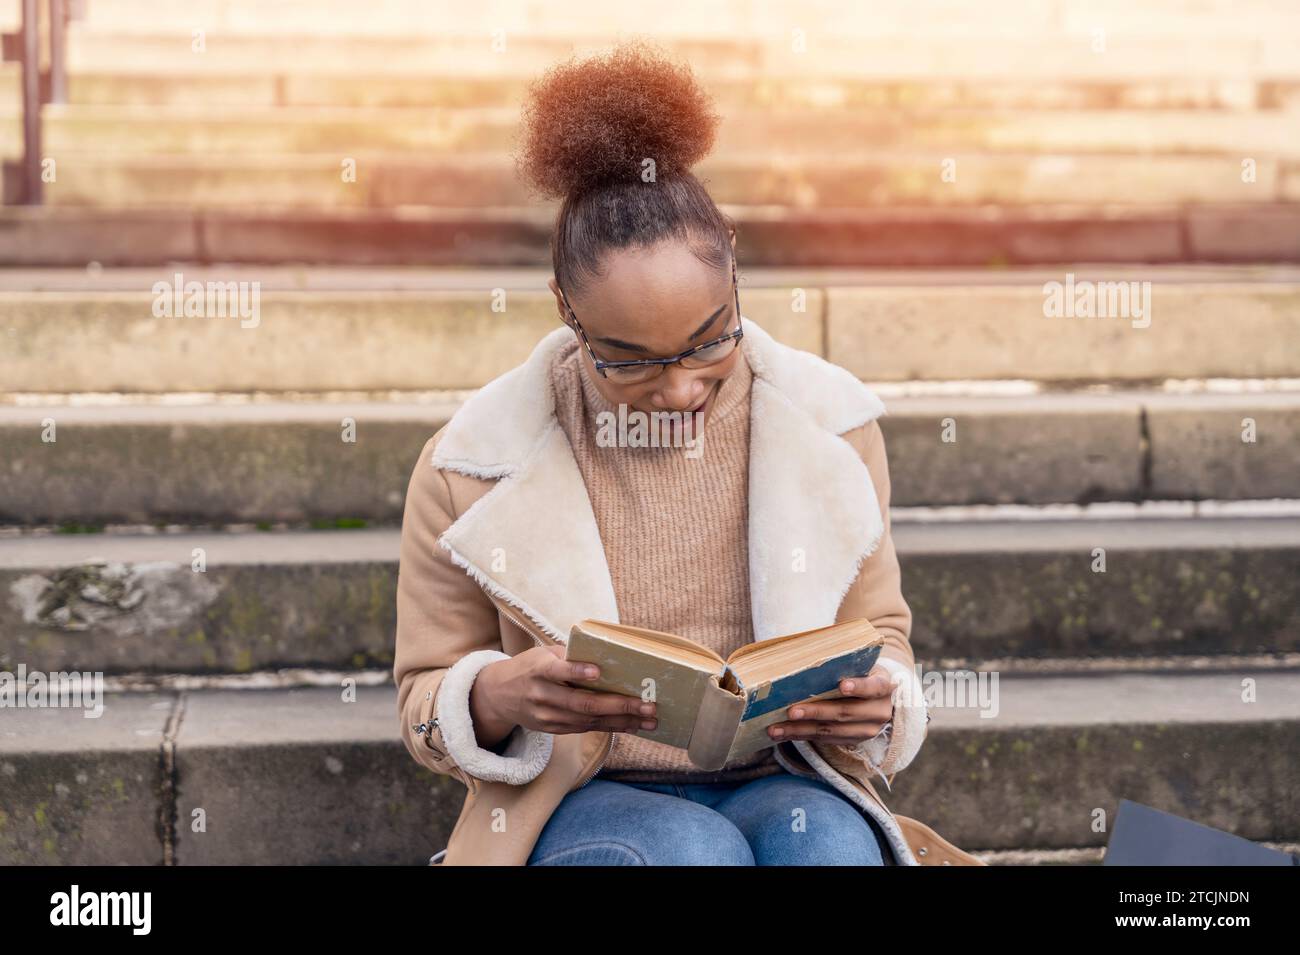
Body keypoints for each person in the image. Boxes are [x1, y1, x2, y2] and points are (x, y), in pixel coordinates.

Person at [393, 41, 930, 866]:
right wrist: (495, 690)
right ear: (565, 309)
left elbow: (882, 631)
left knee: (826, 846)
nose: (680, 389)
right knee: (689, 851)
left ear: (735, 271)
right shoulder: (470, 461)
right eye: (630, 360)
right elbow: (423, 697)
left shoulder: (833, 423)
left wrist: (878, 701)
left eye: (709, 341)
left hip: (783, 774)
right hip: (579, 794)